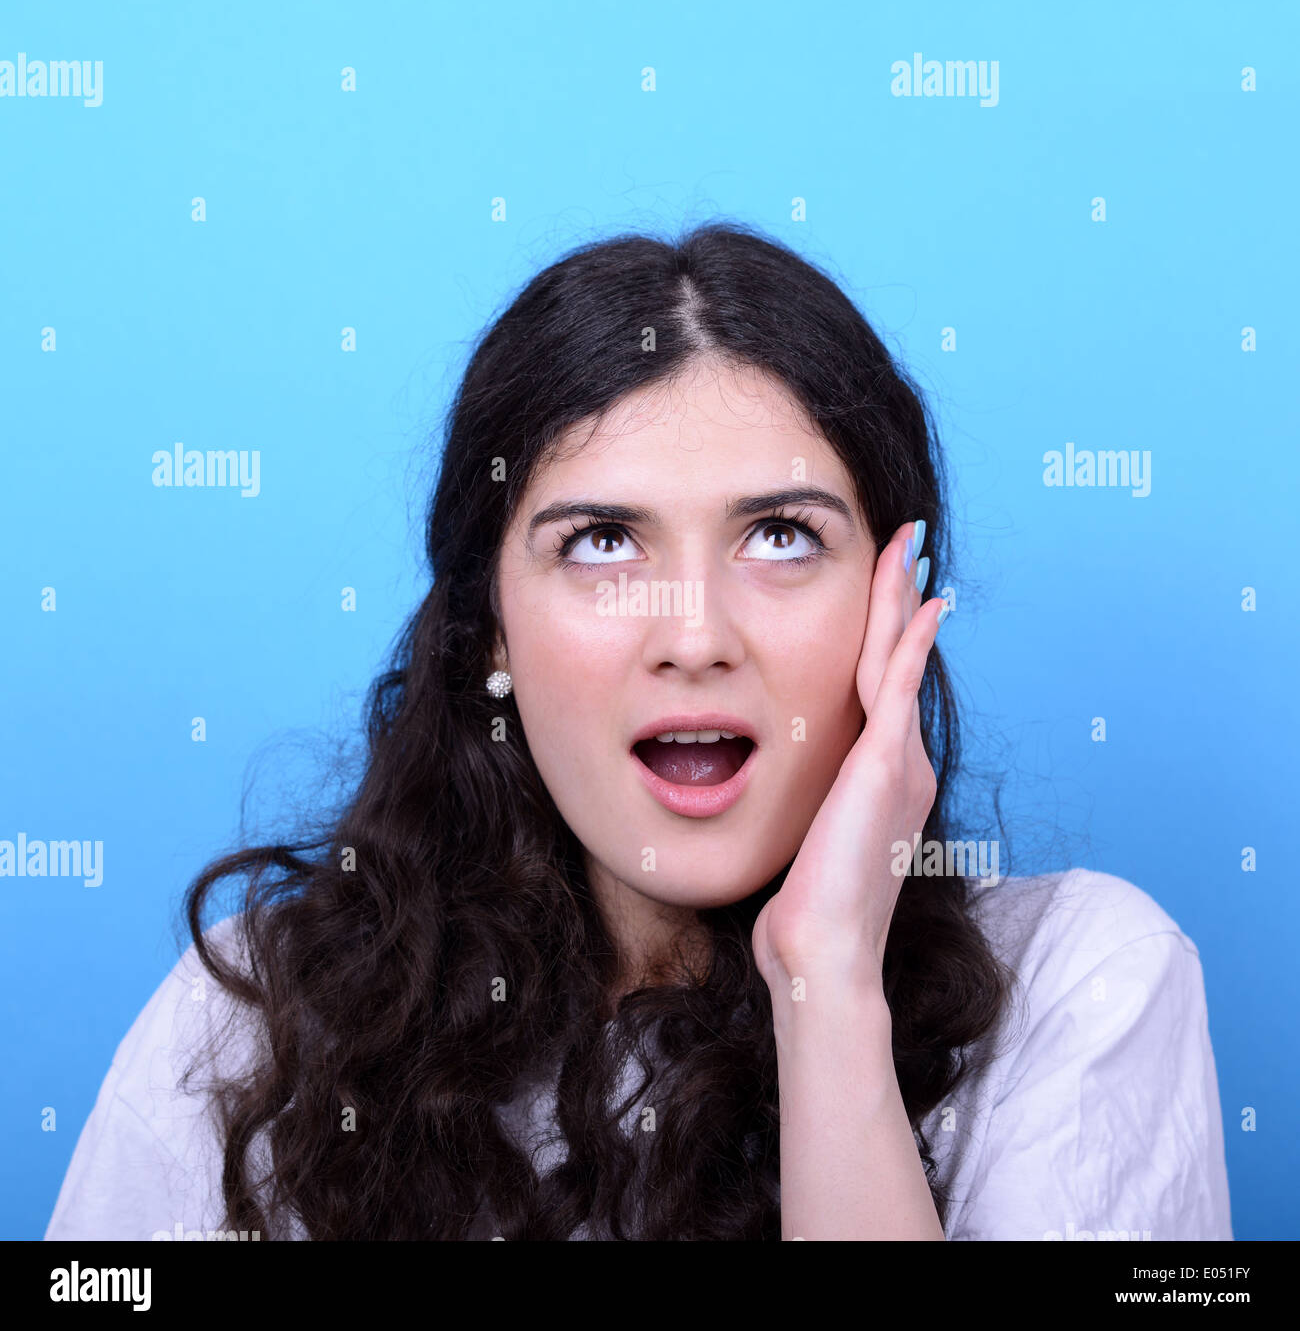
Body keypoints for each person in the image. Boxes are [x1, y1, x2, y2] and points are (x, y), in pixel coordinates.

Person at [45, 223, 1232, 1241]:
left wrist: (824, 987)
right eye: (602, 541)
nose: (694, 634)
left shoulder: (1088, 986)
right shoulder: (250, 1019)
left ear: (897, 603)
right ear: (492, 629)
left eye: (779, 534)